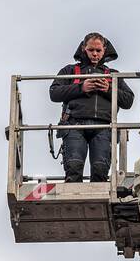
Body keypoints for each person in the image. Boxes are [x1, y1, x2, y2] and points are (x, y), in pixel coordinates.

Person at [50, 33, 135, 183]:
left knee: (100, 169)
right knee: (73, 167)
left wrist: (108, 89)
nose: (95, 54)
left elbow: (128, 100)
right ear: (84, 49)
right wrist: (81, 87)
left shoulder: (113, 75)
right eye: (91, 50)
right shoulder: (70, 71)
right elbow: (54, 93)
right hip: (74, 125)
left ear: (104, 50)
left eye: (98, 50)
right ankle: (73, 201)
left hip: (104, 126)